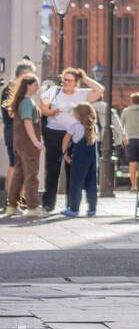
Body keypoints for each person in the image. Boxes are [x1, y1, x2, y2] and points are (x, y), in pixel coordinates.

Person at [37, 68, 104, 212]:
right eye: (64, 79)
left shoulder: (82, 94)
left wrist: (84, 77)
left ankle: (70, 205)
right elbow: (43, 109)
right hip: (54, 134)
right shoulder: (54, 91)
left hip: (75, 136)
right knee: (53, 169)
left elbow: (100, 90)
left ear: (76, 83)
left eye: (69, 80)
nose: (65, 82)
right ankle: (48, 204)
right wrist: (51, 112)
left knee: (72, 171)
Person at [4, 72, 43, 219]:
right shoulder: (27, 102)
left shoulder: (21, 101)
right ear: (28, 86)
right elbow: (28, 122)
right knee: (31, 175)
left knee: (19, 175)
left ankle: (12, 206)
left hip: (19, 142)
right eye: (35, 84)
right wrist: (36, 142)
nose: (37, 87)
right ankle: (32, 208)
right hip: (28, 144)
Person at [2, 59, 36, 212]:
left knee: (18, 166)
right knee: (16, 165)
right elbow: (15, 114)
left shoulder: (14, 88)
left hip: (15, 131)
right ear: (23, 74)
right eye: (31, 74)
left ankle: (15, 202)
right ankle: (11, 202)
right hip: (15, 131)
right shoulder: (13, 89)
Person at [61, 103, 100, 217]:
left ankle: (74, 209)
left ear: (79, 114)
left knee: (76, 183)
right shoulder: (94, 127)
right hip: (92, 159)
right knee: (92, 183)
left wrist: (65, 154)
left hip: (79, 159)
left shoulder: (75, 126)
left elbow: (65, 140)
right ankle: (92, 209)